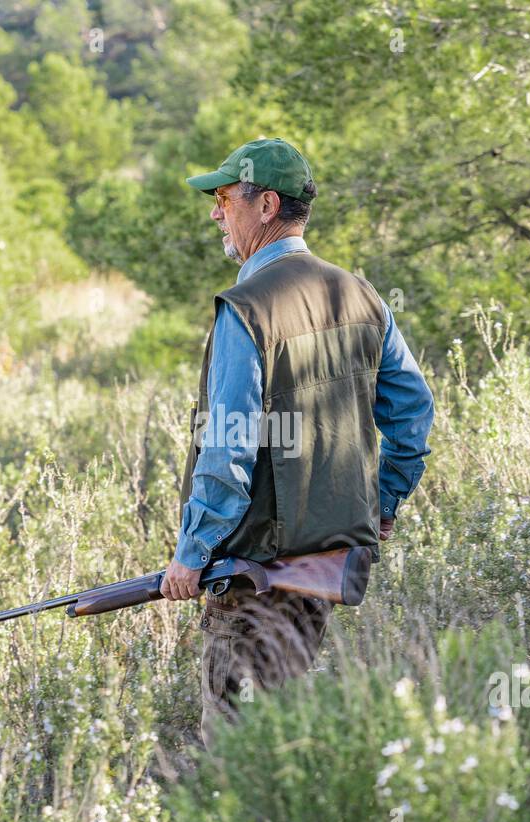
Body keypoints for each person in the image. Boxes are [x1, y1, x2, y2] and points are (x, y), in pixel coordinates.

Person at [158, 138, 435, 747]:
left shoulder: (247, 308)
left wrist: (193, 551)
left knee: (235, 750)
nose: (215, 212)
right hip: (319, 573)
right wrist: (379, 508)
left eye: (226, 197)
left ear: (266, 205)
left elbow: (229, 446)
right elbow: (414, 415)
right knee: (281, 738)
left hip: (251, 570)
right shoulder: (361, 296)